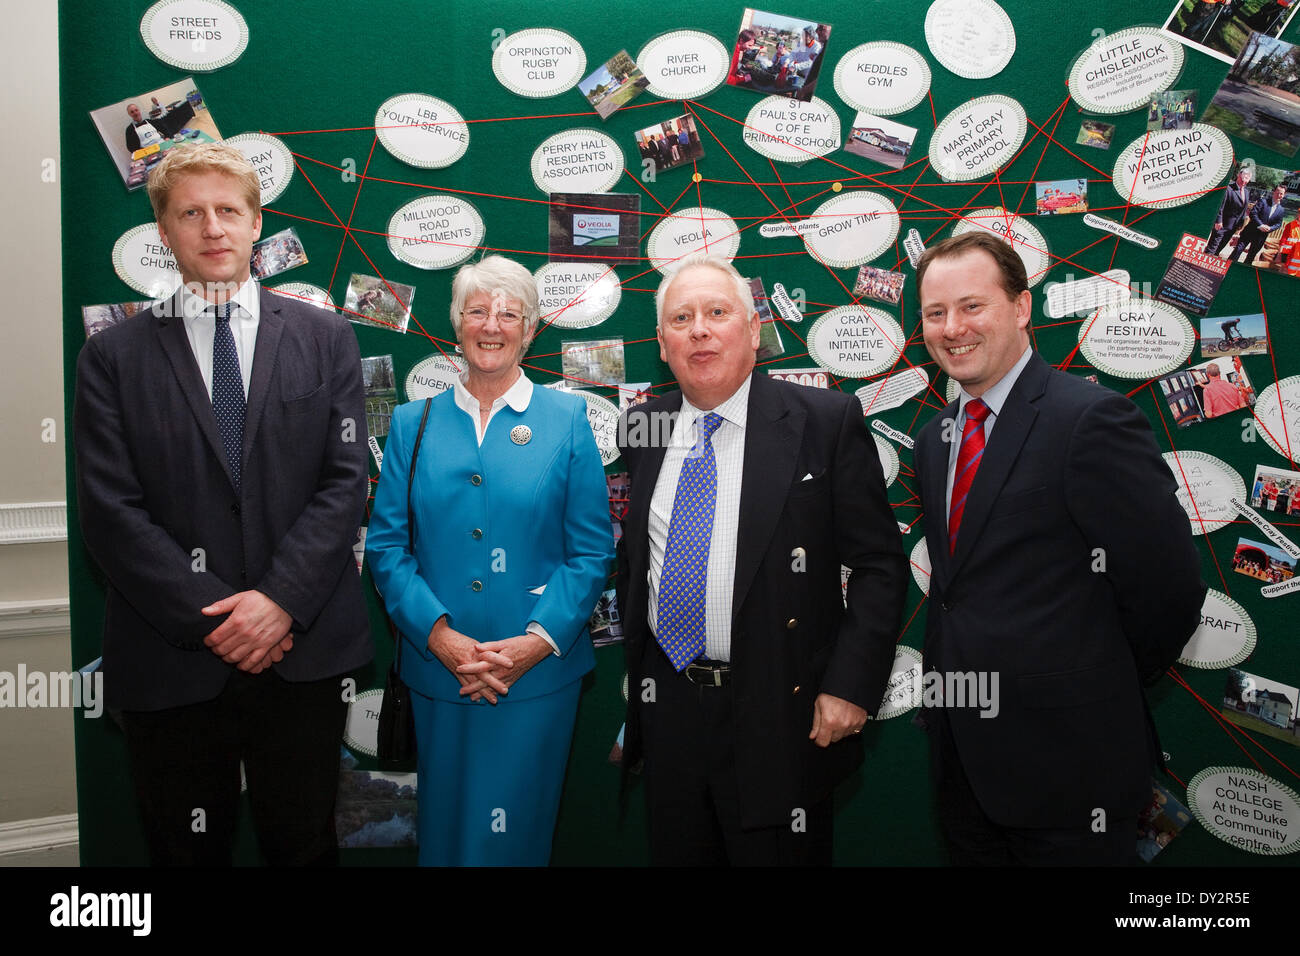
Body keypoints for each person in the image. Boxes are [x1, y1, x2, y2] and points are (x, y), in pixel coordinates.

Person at [73, 142, 372, 865]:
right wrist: (214, 617)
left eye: (229, 211)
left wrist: (276, 603)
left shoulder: (325, 336)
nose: (213, 228)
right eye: (191, 213)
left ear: (256, 223)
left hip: (300, 656)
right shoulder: (113, 356)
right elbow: (111, 511)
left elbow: (344, 482)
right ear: (165, 233)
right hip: (171, 658)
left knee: (302, 848)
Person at [912, 232, 1205, 865]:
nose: (951, 328)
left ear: (1021, 308)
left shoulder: (1091, 419)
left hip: (1074, 768)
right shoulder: (934, 437)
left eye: (972, 306)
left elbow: (1169, 588)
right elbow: (957, 592)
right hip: (962, 764)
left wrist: (1096, 682)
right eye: (935, 313)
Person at [616, 253, 907, 865]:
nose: (699, 329)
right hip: (669, 711)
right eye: (681, 318)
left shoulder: (823, 421)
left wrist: (852, 686)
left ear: (753, 331)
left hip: (782, 710)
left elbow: (880, 566)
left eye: (717, 313)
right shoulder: (643, 428)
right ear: (663, 345)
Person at [366, 256, 613, 866]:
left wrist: (534, 642)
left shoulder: (568, 420)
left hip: (534, 678)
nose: (492, 325)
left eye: (510, 314)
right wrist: (440, 637)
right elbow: (387, 547)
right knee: (446, 836)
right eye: (478, 311)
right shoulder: (410, 424)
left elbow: (590, 552)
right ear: (457, 324)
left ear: (531, 331)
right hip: (438, 675)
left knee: (516, 839)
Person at [1230, 184, 1288, 265]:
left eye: (1281, 193)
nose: (1279, 195)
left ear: (1284, 195)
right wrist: (1260, 225)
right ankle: (1228, 267)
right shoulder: (1263, 201)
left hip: (1261, 237)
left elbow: (1278, 224)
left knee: (1251, 256)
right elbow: (1253, 213)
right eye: (1277, 192)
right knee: (1238, 250)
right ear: (1274, 192)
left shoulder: (1281, 210)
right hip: (1249, 231)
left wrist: (1270, 228)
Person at [1207, 163, 1254, 256]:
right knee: (1212, 249)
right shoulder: (1228, 189)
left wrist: (1241, 223)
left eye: (1248, 177)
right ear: (1238, 175)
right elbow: (1220, 206)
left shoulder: (1246, 192)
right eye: (1244, 175)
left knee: (1218, 250)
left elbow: (1244, 209)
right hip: (1221, 225)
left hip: (1233, 227)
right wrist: (1218, 221)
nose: (1245, 178)